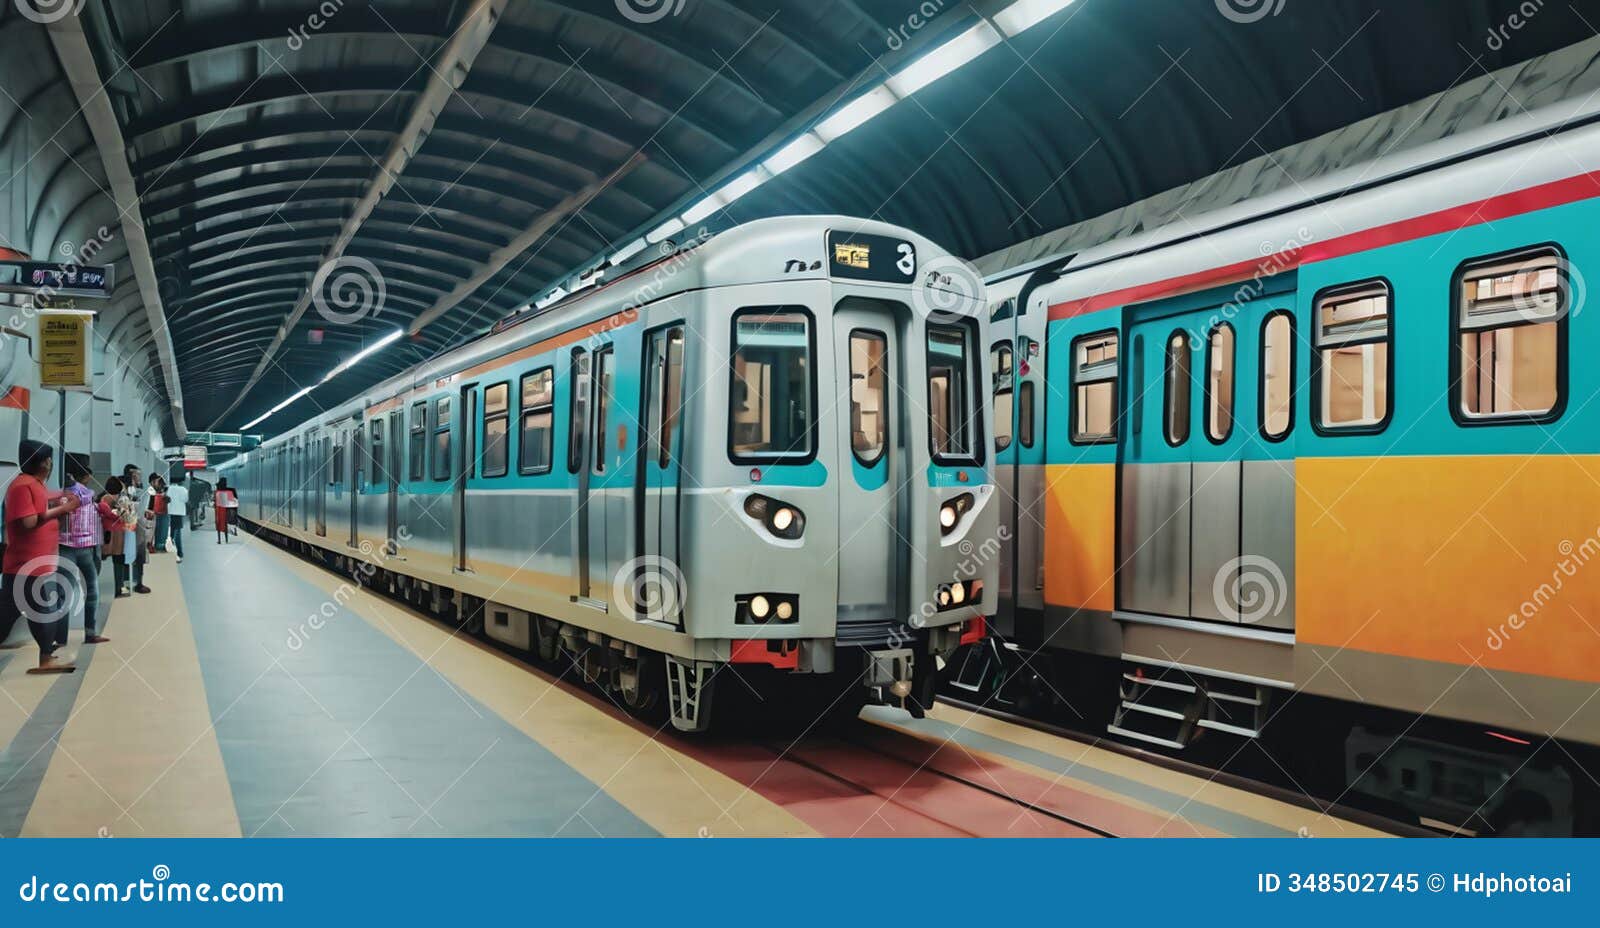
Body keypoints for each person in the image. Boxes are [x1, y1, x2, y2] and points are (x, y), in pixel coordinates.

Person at [0, 440, 80, 673]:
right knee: (38, 612)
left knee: (25, 612)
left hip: (35, 564)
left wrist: (64, 497)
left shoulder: (35, 485)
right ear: (42, 462)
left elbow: (45, 498)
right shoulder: (21, 487)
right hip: (24, 565)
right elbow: (29, 521)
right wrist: (62, 509)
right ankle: (46, 658)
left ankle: (46, 657)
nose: (50, 463)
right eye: (48, 459)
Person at [59, 459, 109, 644]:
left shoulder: (59, 492)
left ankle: (60, 638)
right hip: (83, 548)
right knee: (91, 591)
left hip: (66, 547)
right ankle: (90, 633)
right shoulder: (86, 494)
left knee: (63, 593)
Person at [120, 465, 151, 594]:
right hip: (129, 526)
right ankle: (125, 583)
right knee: (127, 554)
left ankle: (138, 582)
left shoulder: (139, 490)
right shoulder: (124, 492)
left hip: (140, 526)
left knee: (140, 556)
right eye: (138, 475)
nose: (140, 478)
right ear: (132, 476)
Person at [101, 477, 133, 597]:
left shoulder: (105, 498)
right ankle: (119, 588)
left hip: (112, 532)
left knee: (117, 560)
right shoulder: (110, 499)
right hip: (115, 533)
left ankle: (119, 587)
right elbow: (123, 515)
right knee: (118, 560)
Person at [165, 474, 189, 563]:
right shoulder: (183, 489)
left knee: (171, 532)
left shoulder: (168, 489)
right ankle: (178, 552)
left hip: (170, 512)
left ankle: (173, 551)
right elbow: (186, 500)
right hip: (179, 513)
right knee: (177, 533)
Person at [214, 477, 238, 544]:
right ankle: (227, 540)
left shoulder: (218, 491)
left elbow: (216, 501)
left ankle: (219, 540)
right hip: (227, 509)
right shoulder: (231, 491)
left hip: (220, 510)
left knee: (219, 525)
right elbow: (234, 501)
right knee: (226, 525)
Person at [150, 474, 169, 554]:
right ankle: (157, 546)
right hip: (155, 515)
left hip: (162, 514)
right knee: (157, 532)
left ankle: (160, 546)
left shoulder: (164, 493)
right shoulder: (151, 492)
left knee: (162, 533)